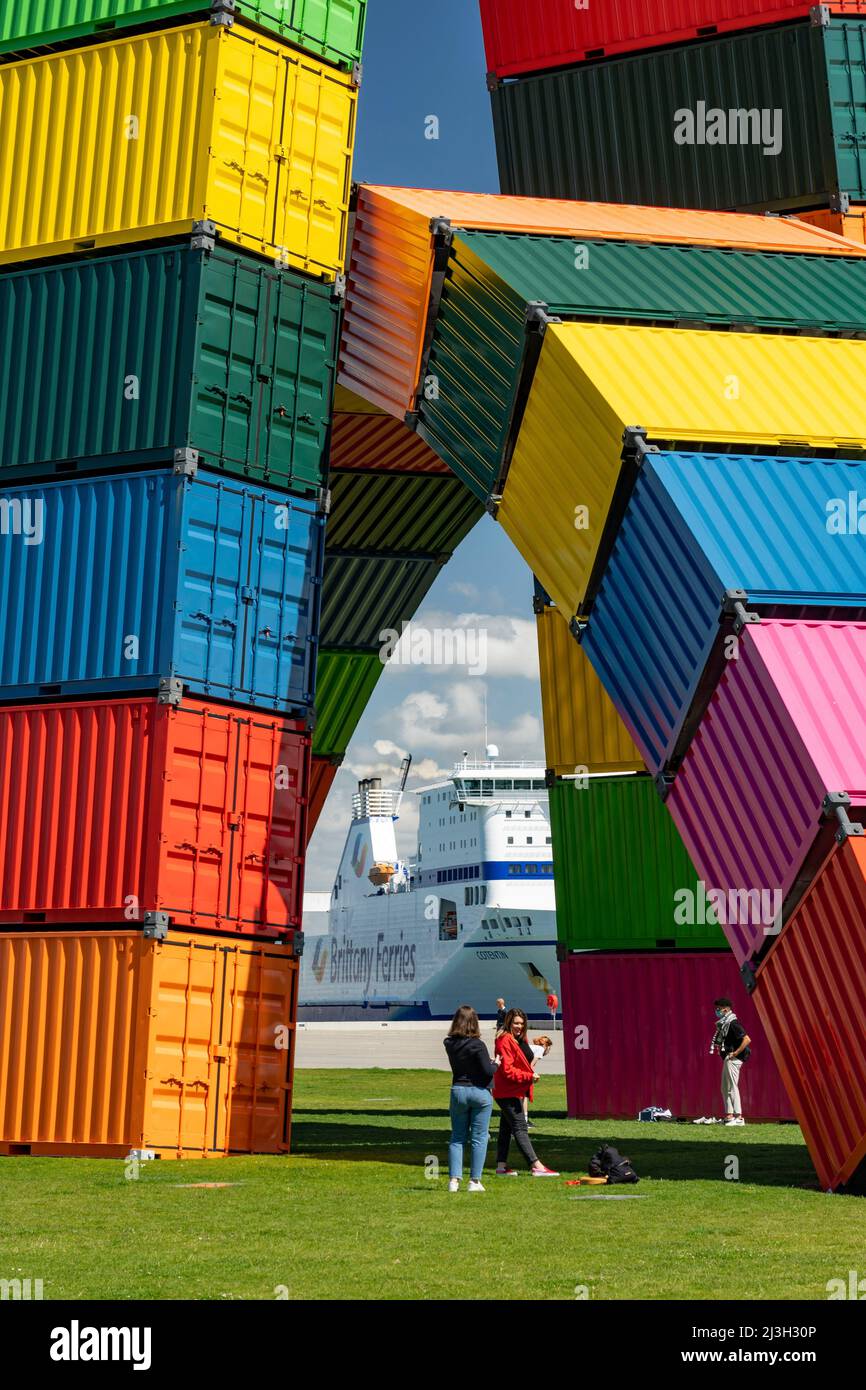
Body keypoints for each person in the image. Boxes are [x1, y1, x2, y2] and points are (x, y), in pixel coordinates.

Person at [493, 1008, 559, 1176]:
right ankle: (536, 1166)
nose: (519, 1027)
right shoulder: (504, 1040)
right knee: (520, 1127)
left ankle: (501, 1166)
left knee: (506, 1128)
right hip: (507, 1090)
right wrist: (528, 1076)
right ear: (508, 1022)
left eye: (522, 1024)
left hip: (514, 1089)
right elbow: (507, 1070)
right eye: (516, 1023)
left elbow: (523, 1060)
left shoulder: (518, 1038)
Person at [443, 1004, 495, 1192]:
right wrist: (496, 1063)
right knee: (479, 1137)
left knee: (457, 1137)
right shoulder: (478, 1045)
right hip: (479, 1092)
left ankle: (454, 1180)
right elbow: (487, 1071)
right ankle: (474, 1181)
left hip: (458, 1089)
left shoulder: (448, 1043)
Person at [711, 997, 751, 1126]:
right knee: (725, 1087)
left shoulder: (733, 1023)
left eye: (718, 1009)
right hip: (728, 1058)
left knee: (732, 1087)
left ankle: (739, 1118)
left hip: (734, 1058)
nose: (716, 1011)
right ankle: (729, 1116)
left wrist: (735, 1053)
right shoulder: (725, 1023)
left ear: (725, 1009)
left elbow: (747, 1039)